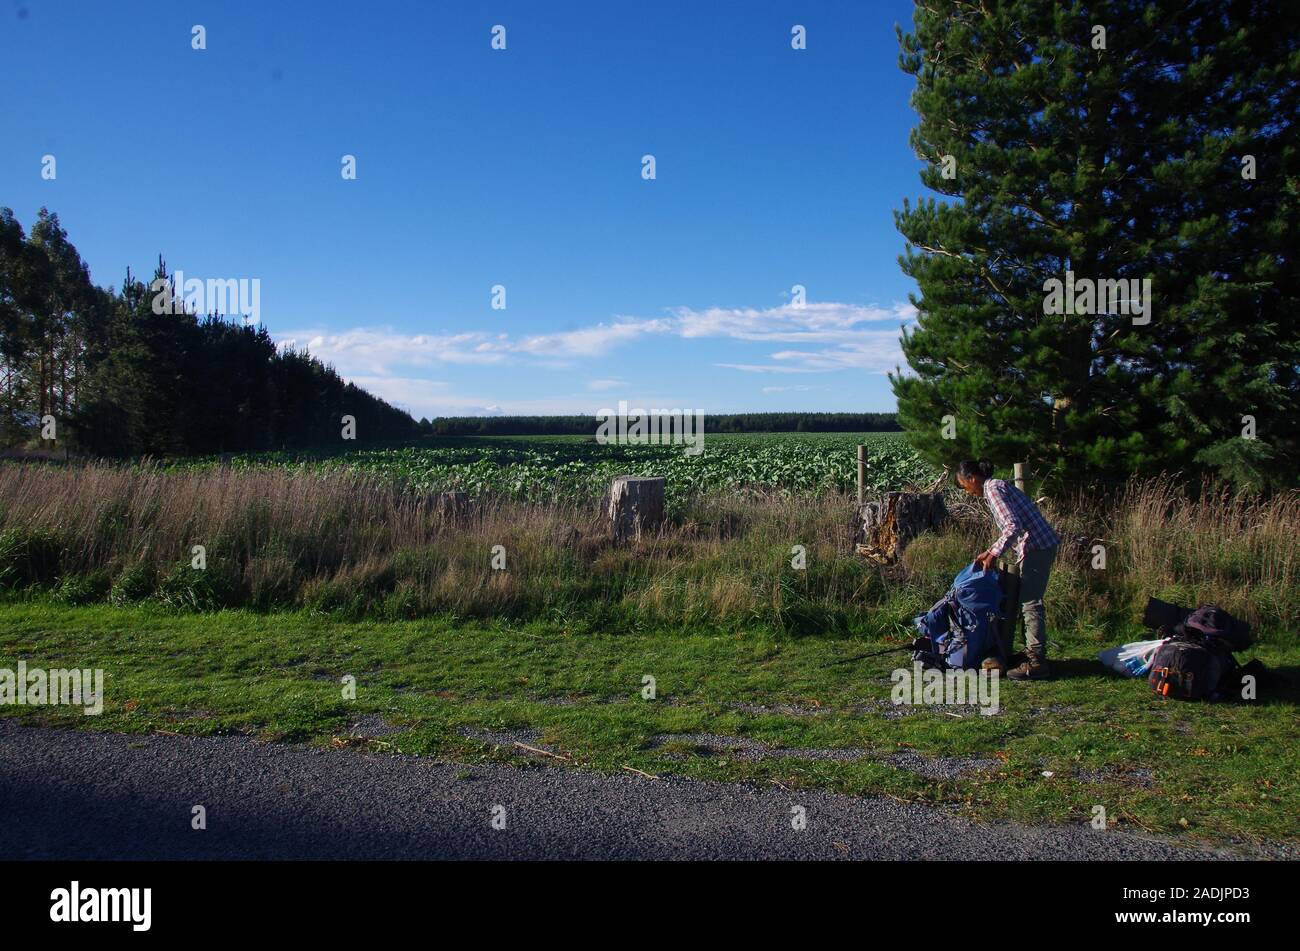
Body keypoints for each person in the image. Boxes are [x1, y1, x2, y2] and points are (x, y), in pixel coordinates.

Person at [954, 460, 1060, 680]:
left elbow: (1013, 525)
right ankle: (1028, 652)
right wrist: (991, 550)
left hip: (1037, 546)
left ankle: (1037, 662)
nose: (968, 492)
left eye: (965, 486)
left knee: (1031, 602)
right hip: (1035, 545)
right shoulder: (997, 487)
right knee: (1024, 600)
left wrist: (994, 554)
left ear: (973, 478)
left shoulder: (992, 490)